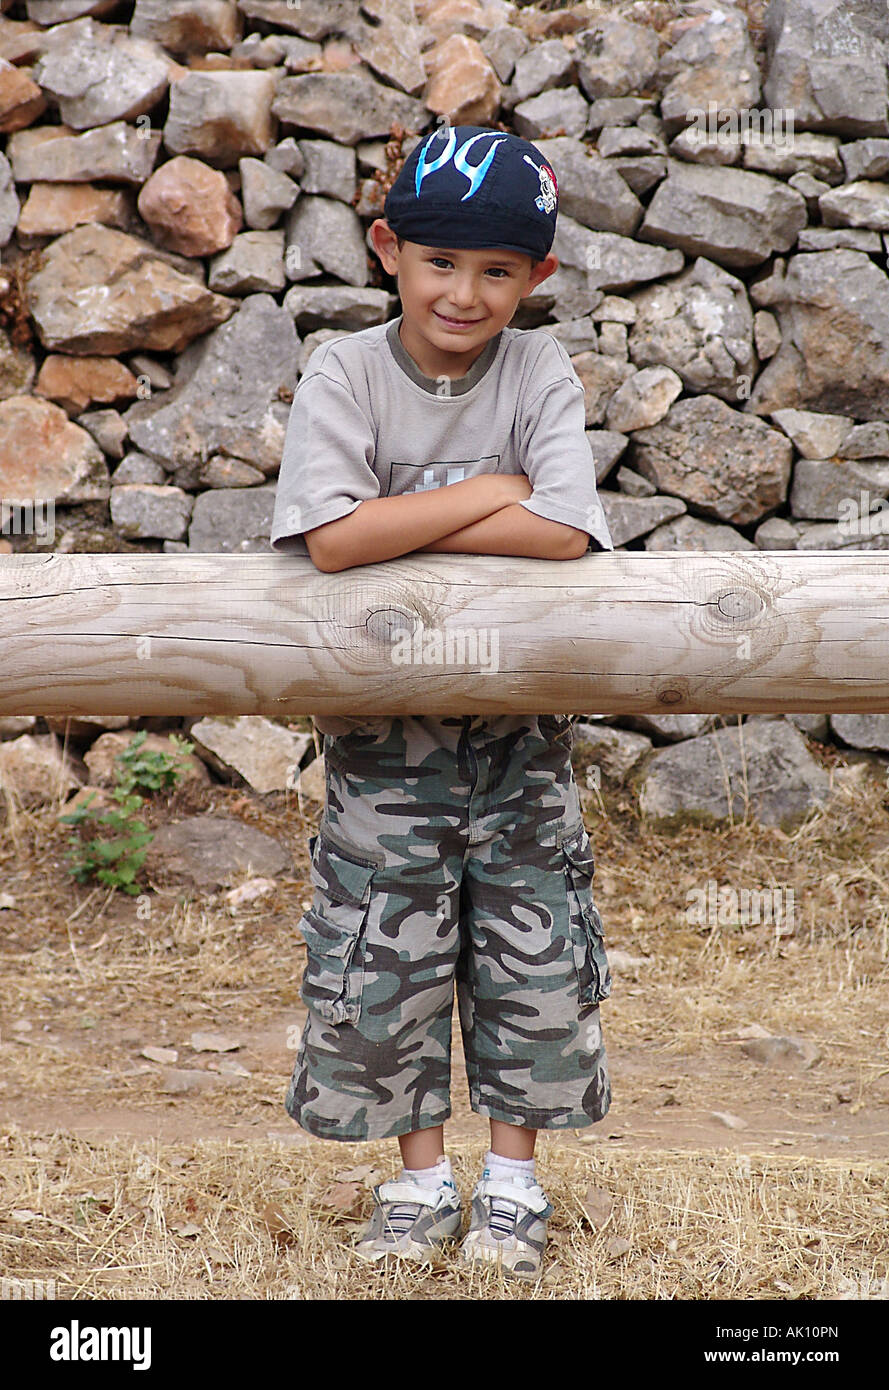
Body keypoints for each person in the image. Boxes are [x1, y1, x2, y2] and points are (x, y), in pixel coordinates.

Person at [269, 124, 614, 1281]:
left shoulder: (540, 372)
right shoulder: (345, 371)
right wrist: (488, 489)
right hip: (379, 747)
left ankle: (511, 1187)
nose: (464, 295)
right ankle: (418, 1182)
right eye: (438, 263)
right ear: (385, 249)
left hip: (522, 742)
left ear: (539, 276)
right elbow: (331, 539)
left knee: (533, 962)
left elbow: (564, 532)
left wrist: (407, 520)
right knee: (385, 961)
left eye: (498, 271)